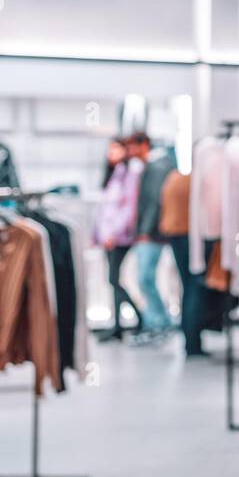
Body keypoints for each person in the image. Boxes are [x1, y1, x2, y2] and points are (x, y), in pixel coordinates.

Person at [92, 136, 143, 342]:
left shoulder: (130, 174)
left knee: (113, 279)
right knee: (111, 280)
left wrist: (114, 233)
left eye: (117, 150)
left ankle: (139, 318)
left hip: (119, 237)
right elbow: (104, 211)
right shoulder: (113, 176)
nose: (112, 154)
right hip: (107, 237)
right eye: (110, 150)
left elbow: (128, 208)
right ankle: (117, 325)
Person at [130, 132, 178, 344]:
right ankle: (158, 322)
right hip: (149, 232)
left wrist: (145, 232)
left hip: (151, 234)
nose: (129, 151)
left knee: (145, 279)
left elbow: (155, 202)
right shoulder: (153, 166)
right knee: (145, 279)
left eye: (132, 146)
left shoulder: (157, 167)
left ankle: (159, 323)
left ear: (143, 145)